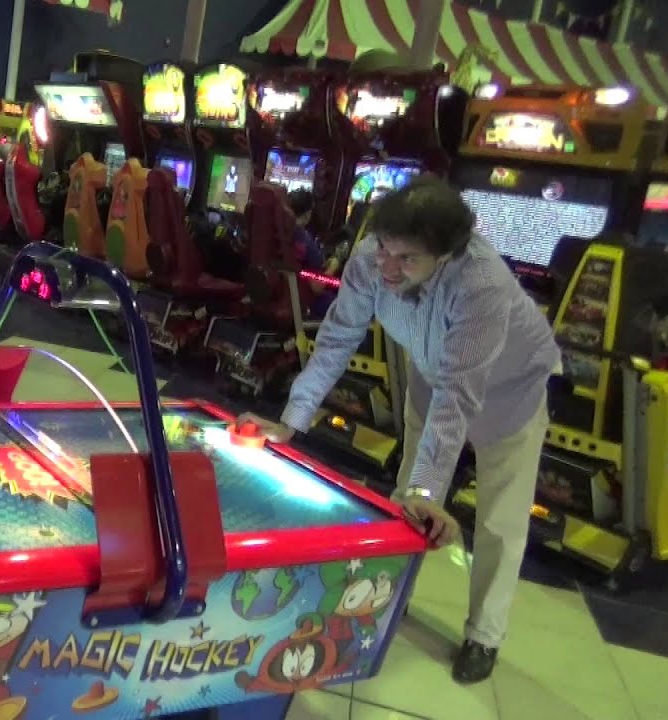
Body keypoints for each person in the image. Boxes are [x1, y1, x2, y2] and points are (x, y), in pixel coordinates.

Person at [239, 177, 560, 684]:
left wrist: (431, 491)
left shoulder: (482, 285)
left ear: (446, 255)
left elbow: (460, 396)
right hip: (432, 375)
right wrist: (291, 422)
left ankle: (484, 635)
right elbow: (338, 337)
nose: (387, 267)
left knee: (500, 520)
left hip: (509, 391)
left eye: (407, 259)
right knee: (406, 497)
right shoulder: (372, 257)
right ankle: (393, 589)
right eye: (385, 249)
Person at [286, 188, 340, 318]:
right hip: (303, 301)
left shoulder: (278, 232)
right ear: (307, 214)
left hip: (282, 294)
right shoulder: (304, 240)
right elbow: (317, 287)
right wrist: (334, 265)